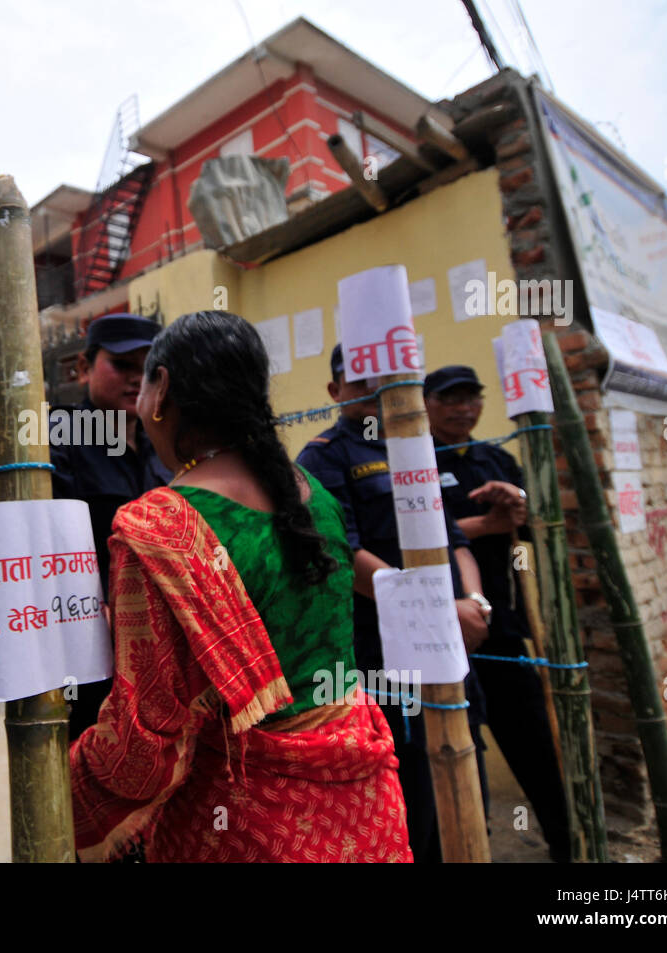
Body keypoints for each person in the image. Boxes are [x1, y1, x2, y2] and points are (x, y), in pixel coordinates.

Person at [70, 311, 411, 863]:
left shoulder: (161, 526)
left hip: (247, 822)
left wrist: (57, 792)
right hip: (362, 805)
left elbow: (141, 744)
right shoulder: (313, 495)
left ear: (162, 392)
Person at [295, 343, 491, 864]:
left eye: (384, 379)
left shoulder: (414, 448)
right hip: (386, 655)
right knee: (413, 788)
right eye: (357, 382)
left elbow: (455, 540)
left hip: (452, 640)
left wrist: (472, 600)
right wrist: (439, 611)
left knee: (469, 765)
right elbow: (344, 552)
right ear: (335, 391)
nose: (373, 391)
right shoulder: (322, 458)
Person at [425, 364, 571, 862]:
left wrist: (519, 504)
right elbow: (421, 538)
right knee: (455, 754)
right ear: (426, 403)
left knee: (535, 746)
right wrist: (483, 524)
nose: (463, 408)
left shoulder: (496, 459)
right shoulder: (414, 460)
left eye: (471, 398)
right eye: (450, 399)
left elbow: (532, 529)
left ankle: (568, 845)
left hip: (502, 626)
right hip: (442, 631)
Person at [49, 313, 172, 742]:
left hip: (163, 643)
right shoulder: (60, 438)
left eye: (149, 369)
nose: (137, 379)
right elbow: (50, 545)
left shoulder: (166, 443)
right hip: (89, 646)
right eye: (122, 365)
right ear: (84, 368)